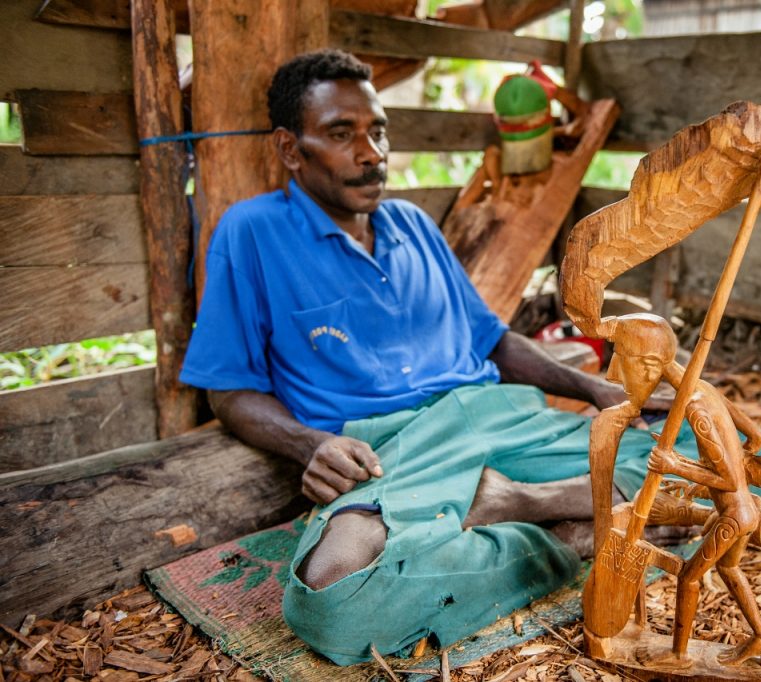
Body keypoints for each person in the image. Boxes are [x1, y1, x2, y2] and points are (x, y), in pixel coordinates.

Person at [179, 48, 697, 666]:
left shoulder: (414, 225)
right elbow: (227, 390)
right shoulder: (251, 233)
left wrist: (595, 391)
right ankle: (572, 539)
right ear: (292, 149)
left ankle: (522, 506)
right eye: (342, 135)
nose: (371, 153)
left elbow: (494, 342)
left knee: (705, 450)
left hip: (501, 415)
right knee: (332, 589)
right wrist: (306, 444)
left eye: (378, 131)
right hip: (395, 447)